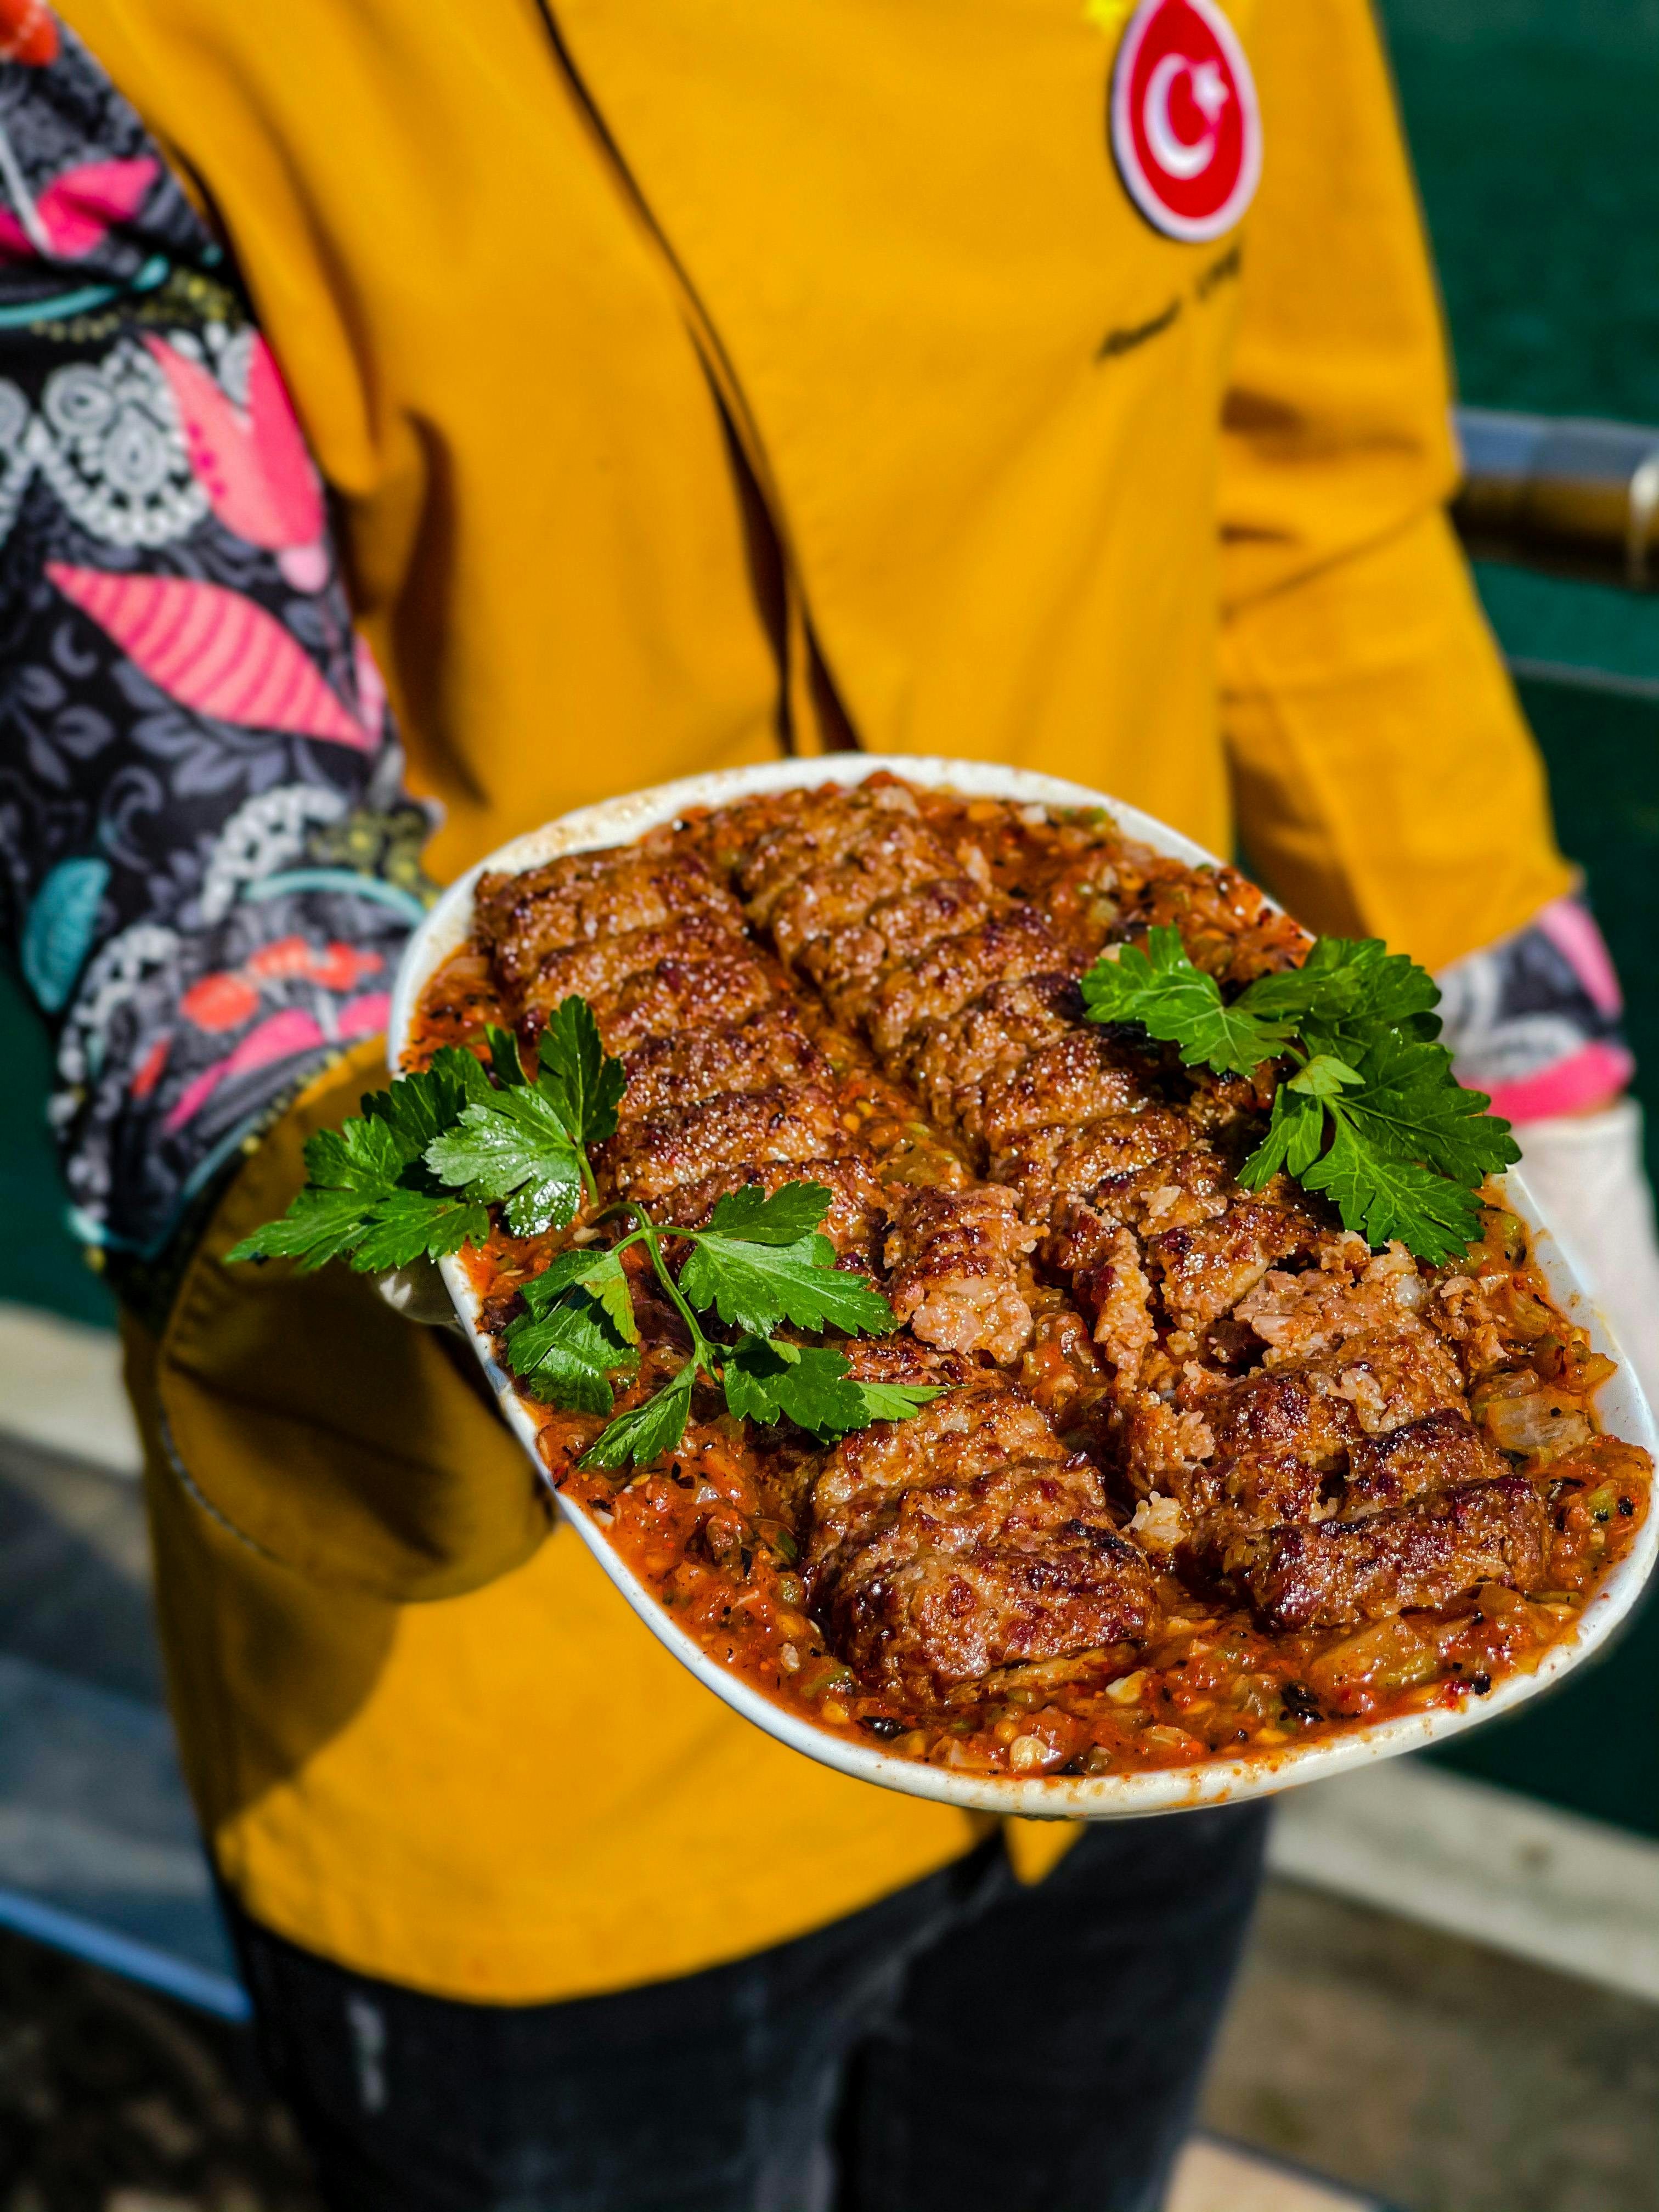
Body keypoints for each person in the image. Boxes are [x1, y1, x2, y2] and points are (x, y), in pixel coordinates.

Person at [0, 2, 1651, 2205]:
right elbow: (208, 889)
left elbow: (1299, 487)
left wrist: (1534, 1071)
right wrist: (502, 1301)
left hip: (1231, 1500)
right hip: (516, 1660)